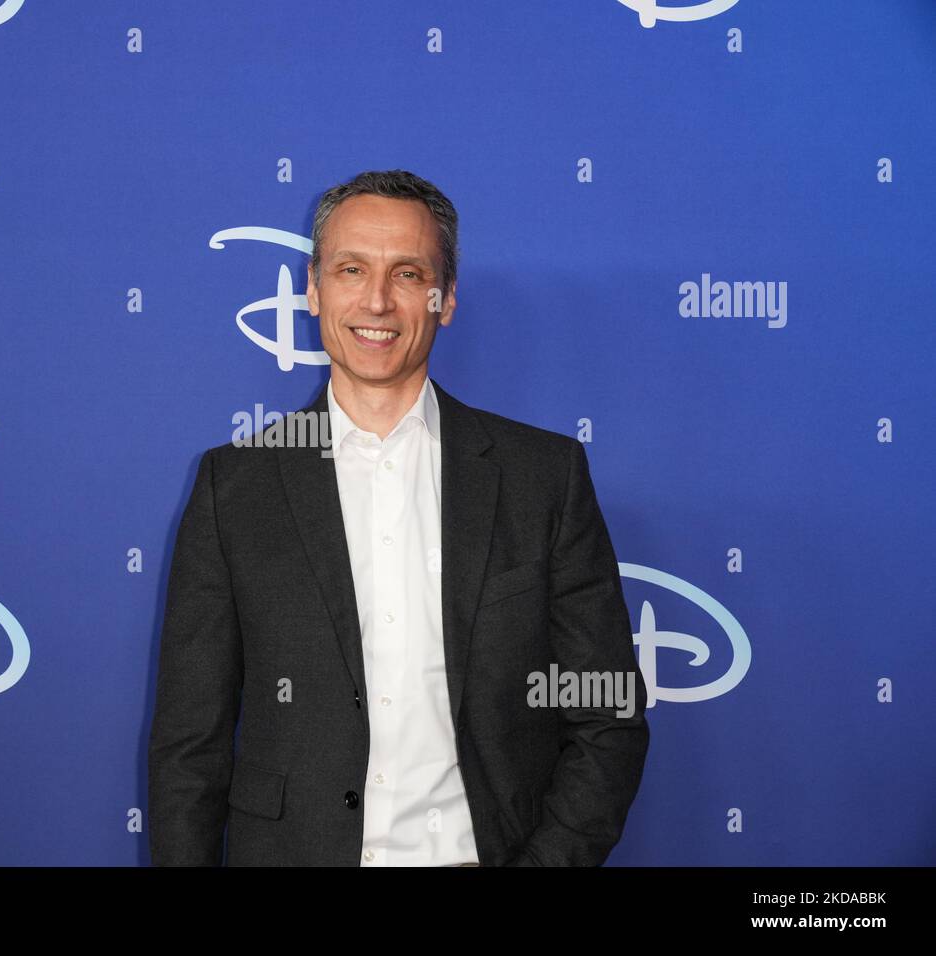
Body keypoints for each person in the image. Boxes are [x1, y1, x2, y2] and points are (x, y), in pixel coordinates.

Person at [147, 169, 648, 866]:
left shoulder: (543, 477)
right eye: (352, 269)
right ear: (314, 289)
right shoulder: (233, 488)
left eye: (408, 274)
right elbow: (188, 749)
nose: (377, 300)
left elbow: (608, 713)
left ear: (444, 299)